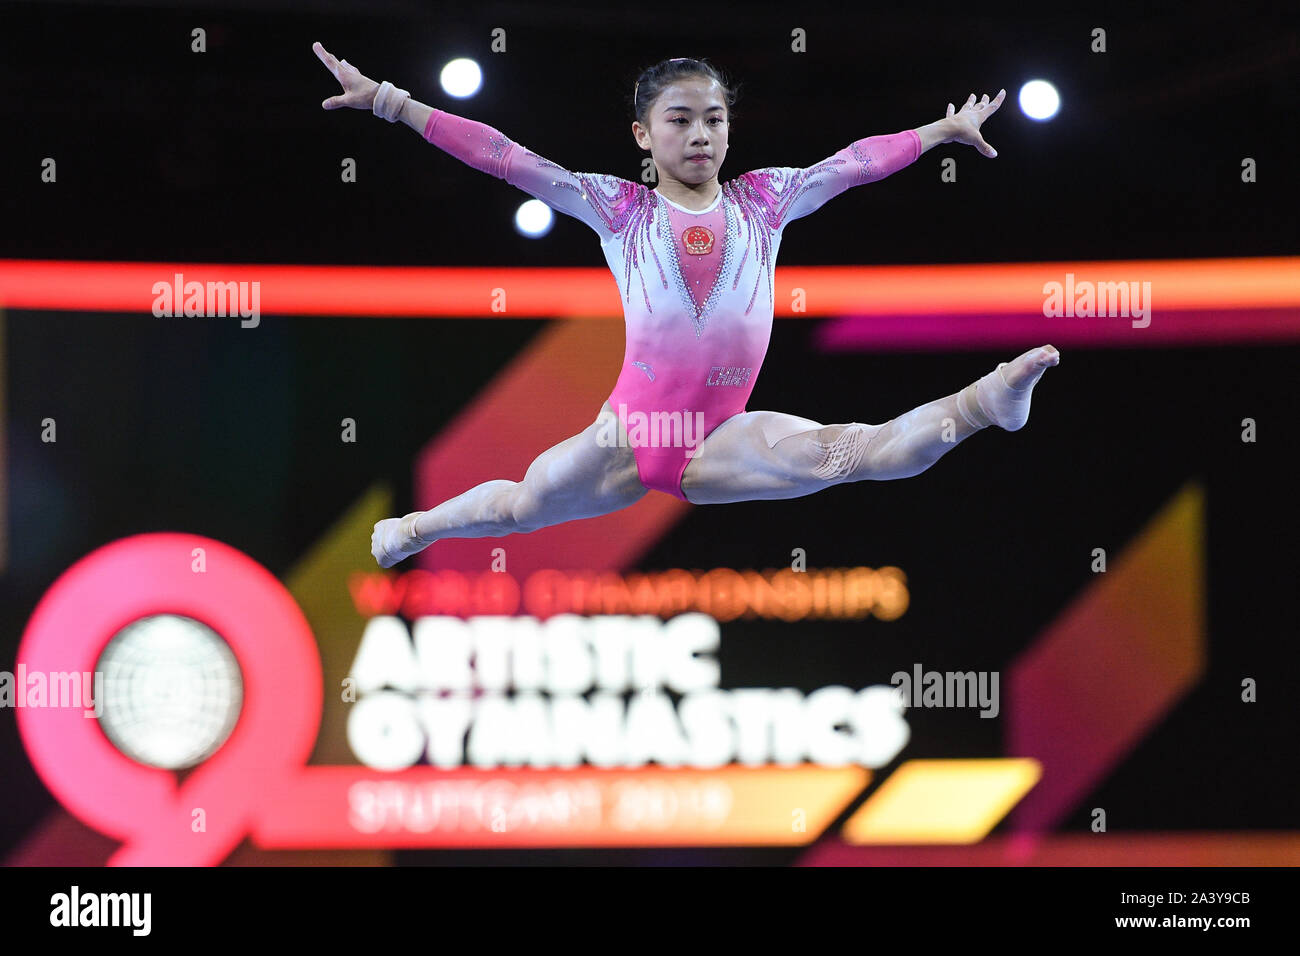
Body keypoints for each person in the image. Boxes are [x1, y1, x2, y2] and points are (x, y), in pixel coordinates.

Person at [311, 44, 1059, 569]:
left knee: (854, 454)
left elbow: (855, 163)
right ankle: (413, 529)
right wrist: (387, 101)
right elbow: (504, 157)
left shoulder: (768, 200)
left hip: (716, 439)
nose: (700, 132)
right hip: (626, 434)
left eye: (714, 118)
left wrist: (941, 131)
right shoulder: (618, 208)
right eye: (679, 119)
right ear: (643, 133)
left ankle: (987, 400)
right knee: (517, 508)